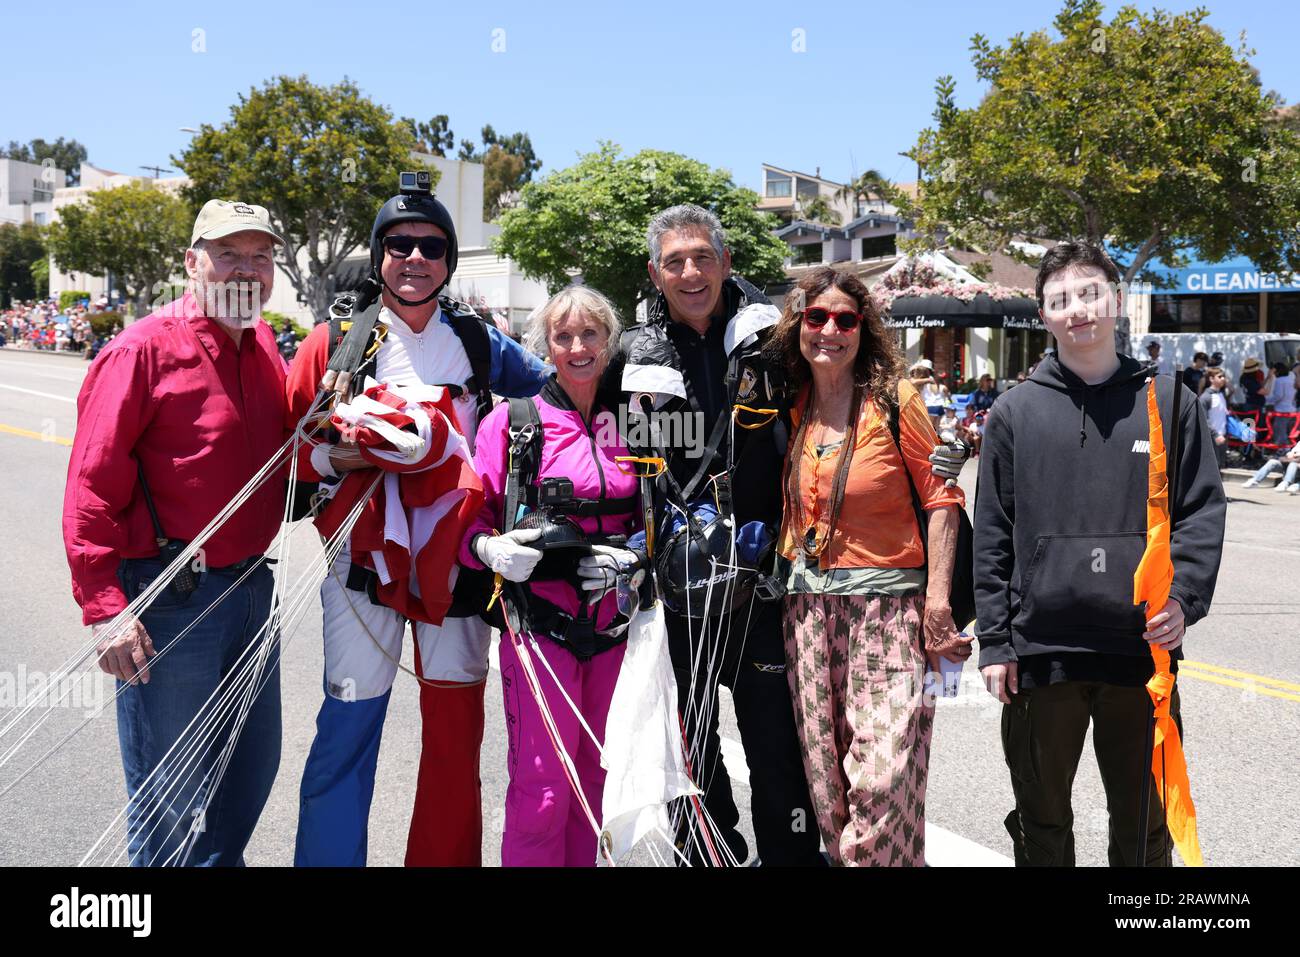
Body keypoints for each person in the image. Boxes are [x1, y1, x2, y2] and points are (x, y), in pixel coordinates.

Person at [616, 205, 968, 866]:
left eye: (702, 257)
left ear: (725, 262)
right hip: (685, 595)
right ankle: (715, 856)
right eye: (674, 261)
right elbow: (580, 415)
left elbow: (921, 467)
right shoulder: (632, 355)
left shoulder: (774, 346)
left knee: (793, 767)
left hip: (772, 596)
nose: (691, 272)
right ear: (654, 271)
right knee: (689, 751)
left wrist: (952, 459)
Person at [286, 177, 548, 867]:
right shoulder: (332, 342)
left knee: (456, 735)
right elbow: (285, 452)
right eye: (398, 244)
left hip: (455, 561)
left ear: (449, 261)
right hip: (359, 568)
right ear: (377, 256)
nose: (414, 257)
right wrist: (344, 451)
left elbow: (563, 385)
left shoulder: (479, 343)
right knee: (349, 726)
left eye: (431, 246)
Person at [974, 242, 1226, 867]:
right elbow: (994, 533)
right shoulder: (1014, 411)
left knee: (1143, 825)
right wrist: (996, 643)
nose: (1077, 310)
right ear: (1043, 315)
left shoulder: (1169, 401)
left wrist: (1184, 599)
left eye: (1090, 293)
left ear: (1116, 300)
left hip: (1140, 650)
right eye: (1060, 300)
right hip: (1042, 652)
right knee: (1042, 823)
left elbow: (1200, 511)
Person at [62, 199, 289, 866]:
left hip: (252, 593)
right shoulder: (140, 350)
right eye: (229, 254)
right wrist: (106, 609)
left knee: (246, 779)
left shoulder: (266, 344)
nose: (248, 269)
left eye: (261, 256)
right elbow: (89, 488)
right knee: (167, 799)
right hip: (169, 604)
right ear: (192, 263)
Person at [769, 267, 970, 866]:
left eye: (845, 319)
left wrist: (938, 604)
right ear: (798, 325)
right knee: (829, 785)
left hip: (889, 615)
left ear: (863, 329)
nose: (830, 329)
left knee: (883, 779)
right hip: (806, 613)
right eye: (816, 317)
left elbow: (943, 499)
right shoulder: (790, 405)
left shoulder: (895, 399)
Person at [461, 286, 645, 866]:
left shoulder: (636, 423)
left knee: (596, 779)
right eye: (564, 336)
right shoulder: (511, 425)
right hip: (538, 626)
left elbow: (662, 516)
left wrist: (636, 557)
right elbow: (466, 523)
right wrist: (489, 547)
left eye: (590, 333)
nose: (578, 346)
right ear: (547, 345)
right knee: (542, 789)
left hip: (617, 626)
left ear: (609, 341)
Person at [1198, 367, 1230, 471]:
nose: (1223, 379)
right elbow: (1204, 419)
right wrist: (1215, 435)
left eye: (1223, 376)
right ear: (1211, 379)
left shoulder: (1221, 394)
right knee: (1212, 467)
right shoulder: (1205, 397)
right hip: (1212, 438)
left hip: (1222, 436)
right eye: (1220, 376)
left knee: (1220, 465)